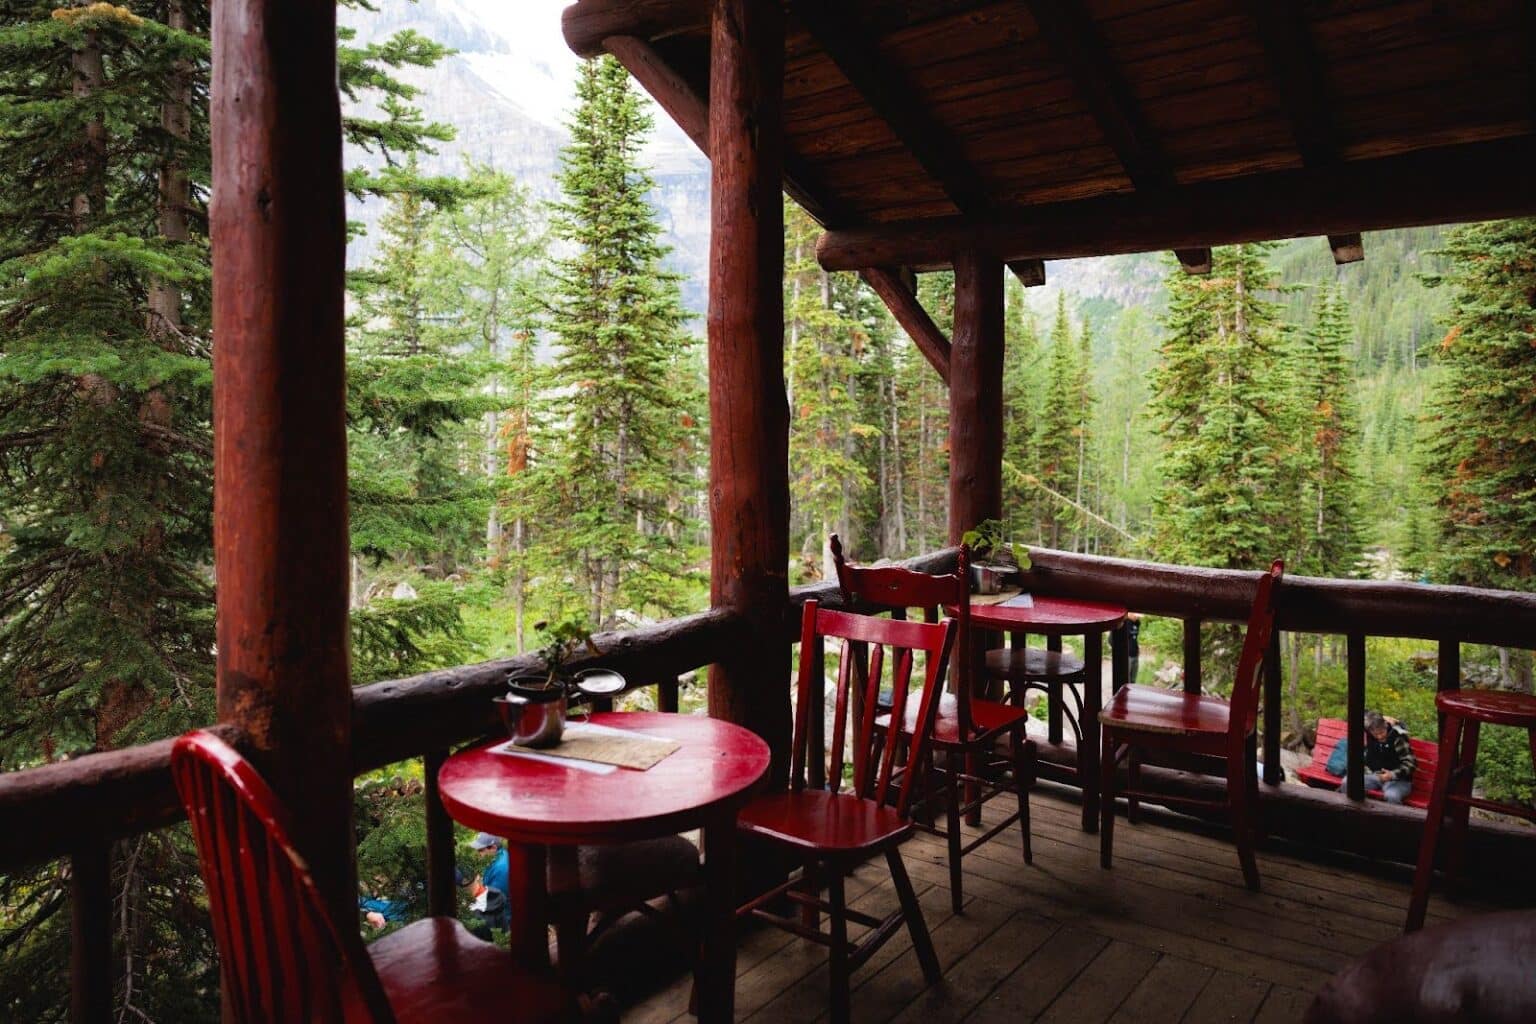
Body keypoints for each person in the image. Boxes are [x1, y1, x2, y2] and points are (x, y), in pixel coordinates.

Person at [1339, 710, 1416, 804]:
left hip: (1398, 780)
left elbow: (1411, 763)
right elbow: (1358, 712)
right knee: (1347, 783)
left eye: (1382, 732)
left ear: (1386, 725)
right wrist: (1383, 716)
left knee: (1392, 796)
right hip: (1374, 776)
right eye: (1376, 734)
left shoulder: (1398, 737)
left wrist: (1392, 775)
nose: (1380, 737)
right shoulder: (1369, 729)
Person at [468, 832, 511, 933]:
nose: (477, 853)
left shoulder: (501, 869)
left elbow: (493, 901)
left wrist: (474, 889)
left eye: (480, 850)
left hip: (502, 920)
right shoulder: (496, 857)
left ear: (493, 848)